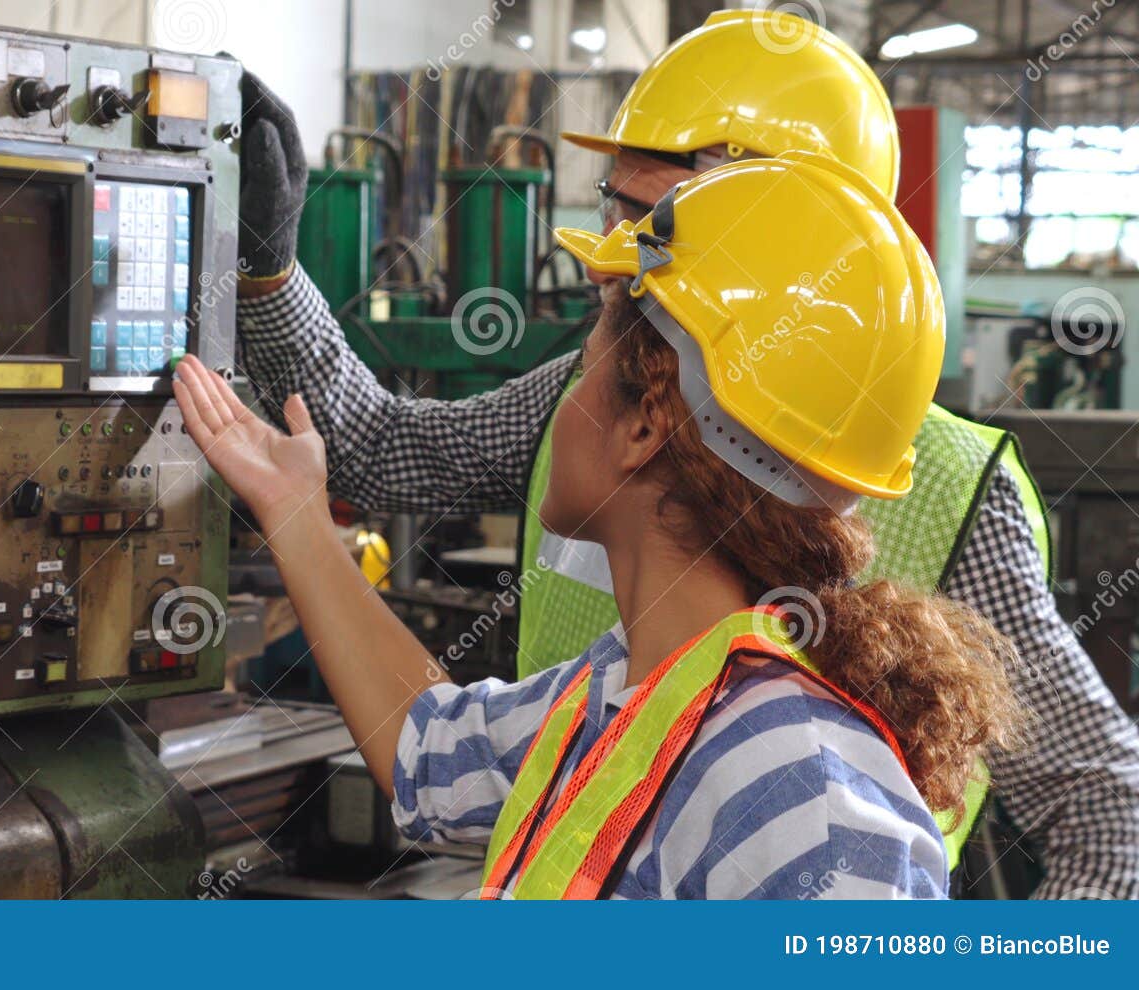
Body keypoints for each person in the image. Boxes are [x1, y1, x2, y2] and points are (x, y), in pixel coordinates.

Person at [230, 10, 1139, 898]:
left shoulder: (819, 812)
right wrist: (269, 275)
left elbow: (1105, 809)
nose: (602, 263)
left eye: (642, 217)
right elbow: (386, 461)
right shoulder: (607, 689)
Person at [180, 154, 1021, 898]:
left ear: (644, 424)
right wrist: (295, 510)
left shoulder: (811, 808)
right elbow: (426, 754)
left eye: (585, 365)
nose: (562, 400)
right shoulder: (625, 691)